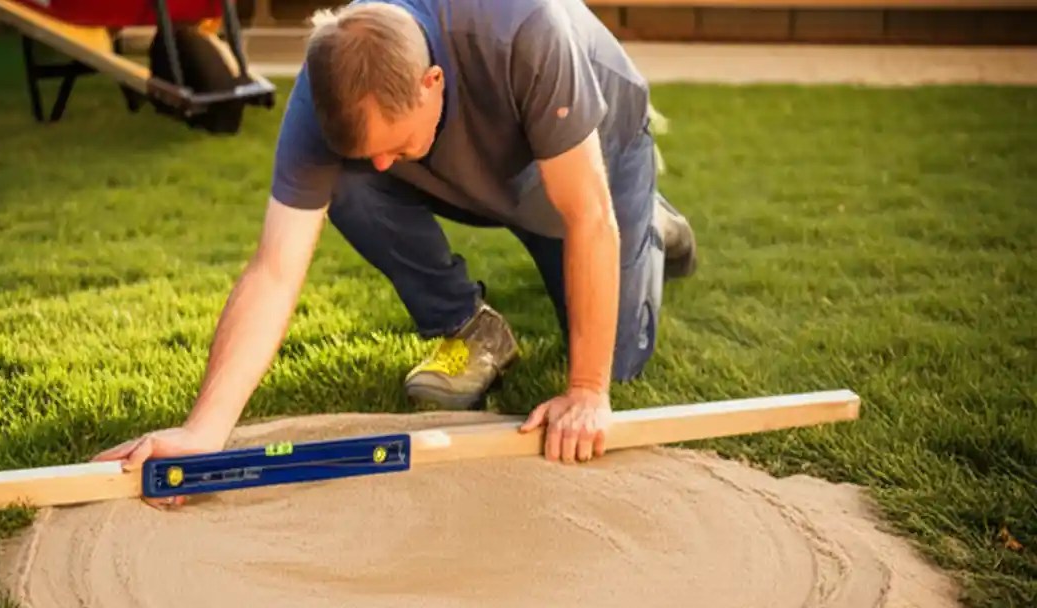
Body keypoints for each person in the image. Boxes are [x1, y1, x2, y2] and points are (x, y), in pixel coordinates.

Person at [94, 0, 697, 482]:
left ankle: (647, 224)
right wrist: (204, 431)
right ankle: (471, 326)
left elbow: (589, 216)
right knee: (351, 183)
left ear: (433, 81)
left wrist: (587, 391)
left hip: (590, 163)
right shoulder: (326, 90)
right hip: (478, 161)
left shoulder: (523, 28)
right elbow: (275, 269)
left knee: (616, 363)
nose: (384, 164)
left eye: (396, 145)